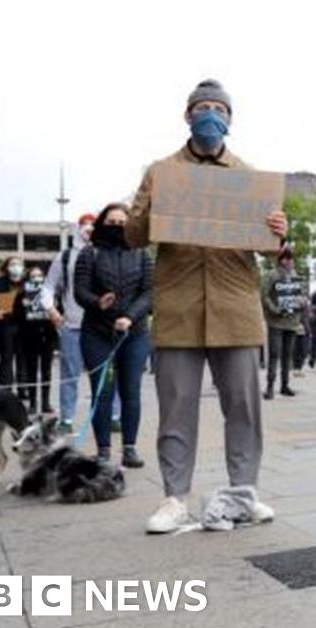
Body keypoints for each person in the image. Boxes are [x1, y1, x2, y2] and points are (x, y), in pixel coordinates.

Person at [124, 79, 285, 532]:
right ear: (187, 115)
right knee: (176, 408)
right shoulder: (161, 173)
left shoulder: (250, 178)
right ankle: (174, 498)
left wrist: (279, 230)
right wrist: (151, 209)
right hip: (179, 308)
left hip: (236, 308)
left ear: (230, 119)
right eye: (202, 107)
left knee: (244, 408)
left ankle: (244, 493)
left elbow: (270, 248)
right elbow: (133, 236)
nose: (211, 114)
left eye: (219, 108)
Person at [75, 204, 153, 467]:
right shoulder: (89, 253)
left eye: (122, 223)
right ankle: (103, 450)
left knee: (131, 390)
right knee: (102, 391)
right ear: (101, 224)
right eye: (112, 222)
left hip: (134, 333)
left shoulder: (142, 253)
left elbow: (150, 292)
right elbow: (79, 291)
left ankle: (129, 448)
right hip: (97, 333)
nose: (117, 227)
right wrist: (98, 302)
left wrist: (130, 316)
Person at [42, 212, 96, 433]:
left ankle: (111, 415)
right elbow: (48, 286)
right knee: (69, 375)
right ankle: (67, 418)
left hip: (101, 327)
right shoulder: (65, 257)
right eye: (85, 224)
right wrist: (51, 309)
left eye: (93, 224)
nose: (89, 228)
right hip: (72, 325)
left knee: (106, 374)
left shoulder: (107, 253)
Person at [262, 247, 306, 400]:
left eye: (291, 258)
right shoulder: (271, 275)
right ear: (281, 260)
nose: (290, 262)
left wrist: (303, 302)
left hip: (292, 322)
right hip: (276, 321)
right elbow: (264, 296)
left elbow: (303, 295)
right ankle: (270, 387)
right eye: (287, 258)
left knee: (288, 355)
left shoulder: (296, 277)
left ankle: (285, 385)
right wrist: (274, 309)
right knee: (274, 354)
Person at [14, 266, 57, 414]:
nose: (37, 279)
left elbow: (57, 313)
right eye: (33, 276)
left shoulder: (50, 294)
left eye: (39, 275)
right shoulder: (21, 295)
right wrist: (24, 307)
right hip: (29, 336)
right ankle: (32, 403)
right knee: (31, 371)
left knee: (46, 371)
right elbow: (16, 316)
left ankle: (45, 403)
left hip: (47, 336)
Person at [0, 256, 27, 393]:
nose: (16, 267)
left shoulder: (27, 283)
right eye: (12, 264)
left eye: (18, 264)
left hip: (25, 325)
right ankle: (5, 388)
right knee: (6, 357)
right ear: (7, 267)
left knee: (23, 357)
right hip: (6, 325)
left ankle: (24, 388)